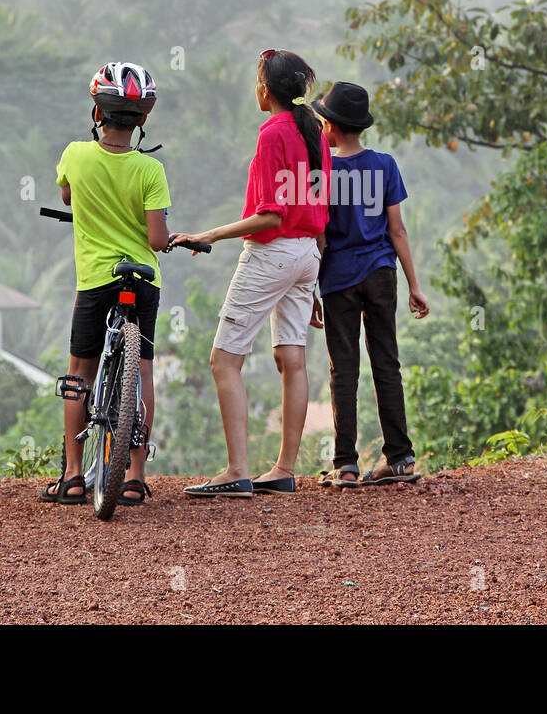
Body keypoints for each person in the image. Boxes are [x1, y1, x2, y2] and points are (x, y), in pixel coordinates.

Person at [169, 49, 330, 498]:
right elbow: (318, 209)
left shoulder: (272, 135)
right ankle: (284, 468)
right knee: (291, 358)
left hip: (272, 254)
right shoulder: (315, 133)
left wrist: (210, 234)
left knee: (225, 359)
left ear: (265, 90)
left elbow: (269, 217)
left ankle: (236, 470)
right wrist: (312, 278)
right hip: (307, 255)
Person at [41, 62, 170, 505]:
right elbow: (156, 238)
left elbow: (68, 196)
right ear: (143, 119)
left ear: (97, 113)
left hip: (97, 280)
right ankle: (134, 476)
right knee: (144, 371)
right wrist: (168, 239)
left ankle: (74, 476)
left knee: (80, 370)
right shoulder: (151, 171)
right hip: (144, 280)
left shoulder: (76, 155)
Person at [309, 81, 428, 488]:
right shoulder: (385, 165)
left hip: (338, 278)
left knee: (343, 370)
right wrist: (414, 285)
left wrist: (310, 290)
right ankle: (401, 459)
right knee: (386, 364)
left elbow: (320, 236)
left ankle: (345, 465)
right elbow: (398, 231)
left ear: (330, 126)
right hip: (382, 274)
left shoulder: (324, 171)